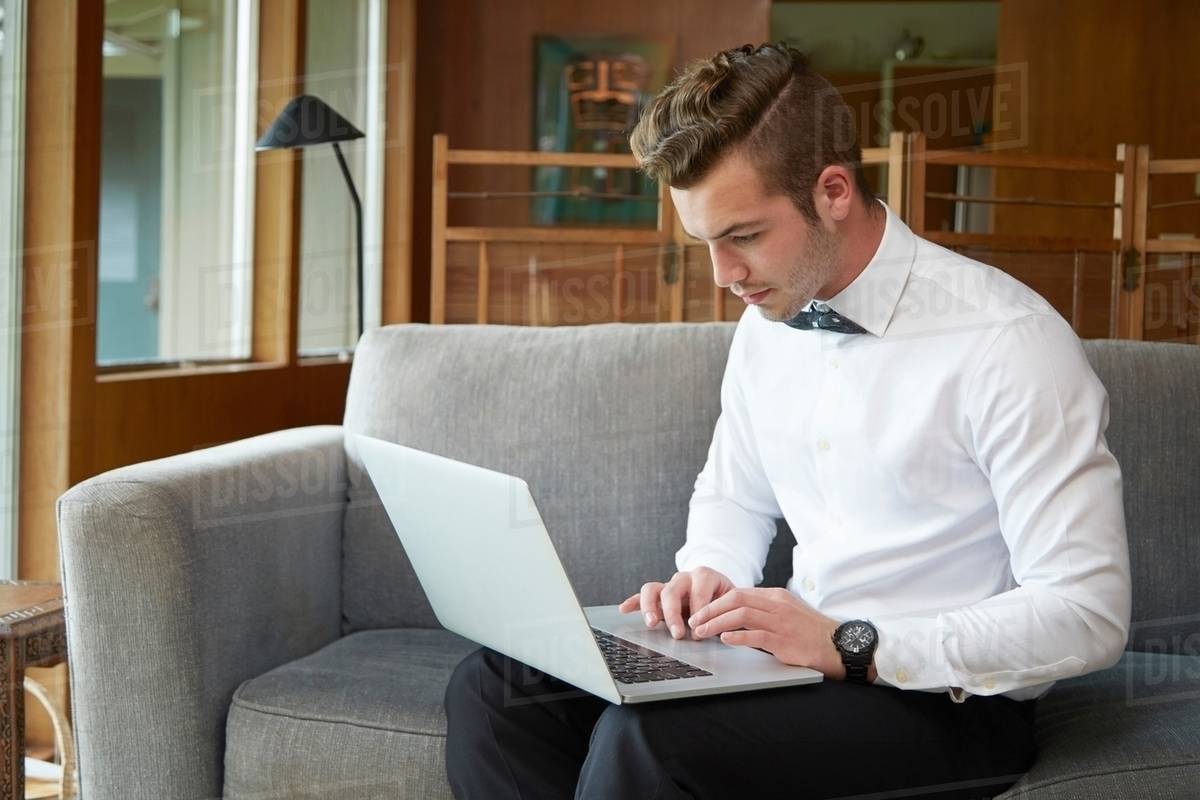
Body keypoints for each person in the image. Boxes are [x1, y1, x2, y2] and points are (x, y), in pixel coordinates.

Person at [443, 42, 1131, 800]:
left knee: (648, 741)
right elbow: (735, 496)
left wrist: (850, 644)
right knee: (496, 685)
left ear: (833, 190)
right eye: (705, 242)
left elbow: (1088, 613)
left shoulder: (1009, 343)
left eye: (742, 236)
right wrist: (708, 574)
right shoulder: (768, 321)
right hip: (788, 667)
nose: (721, 276)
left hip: (948, 705)